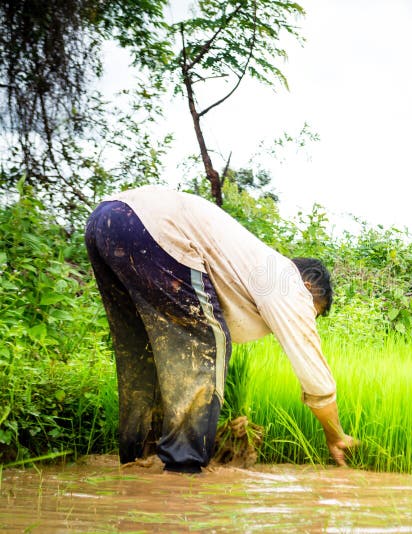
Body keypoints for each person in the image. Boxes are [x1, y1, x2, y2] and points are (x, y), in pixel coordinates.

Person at [84, 185, 358, 473]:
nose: (306, 319)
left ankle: (139, 460)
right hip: (154, 225)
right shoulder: (286, 280)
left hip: (105, 220)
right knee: (207, 343)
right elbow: (314, 376)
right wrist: (335, 435)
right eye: (312, 312)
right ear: (309, 288)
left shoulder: (246, 267)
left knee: (143, 351)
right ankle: (183, 470)